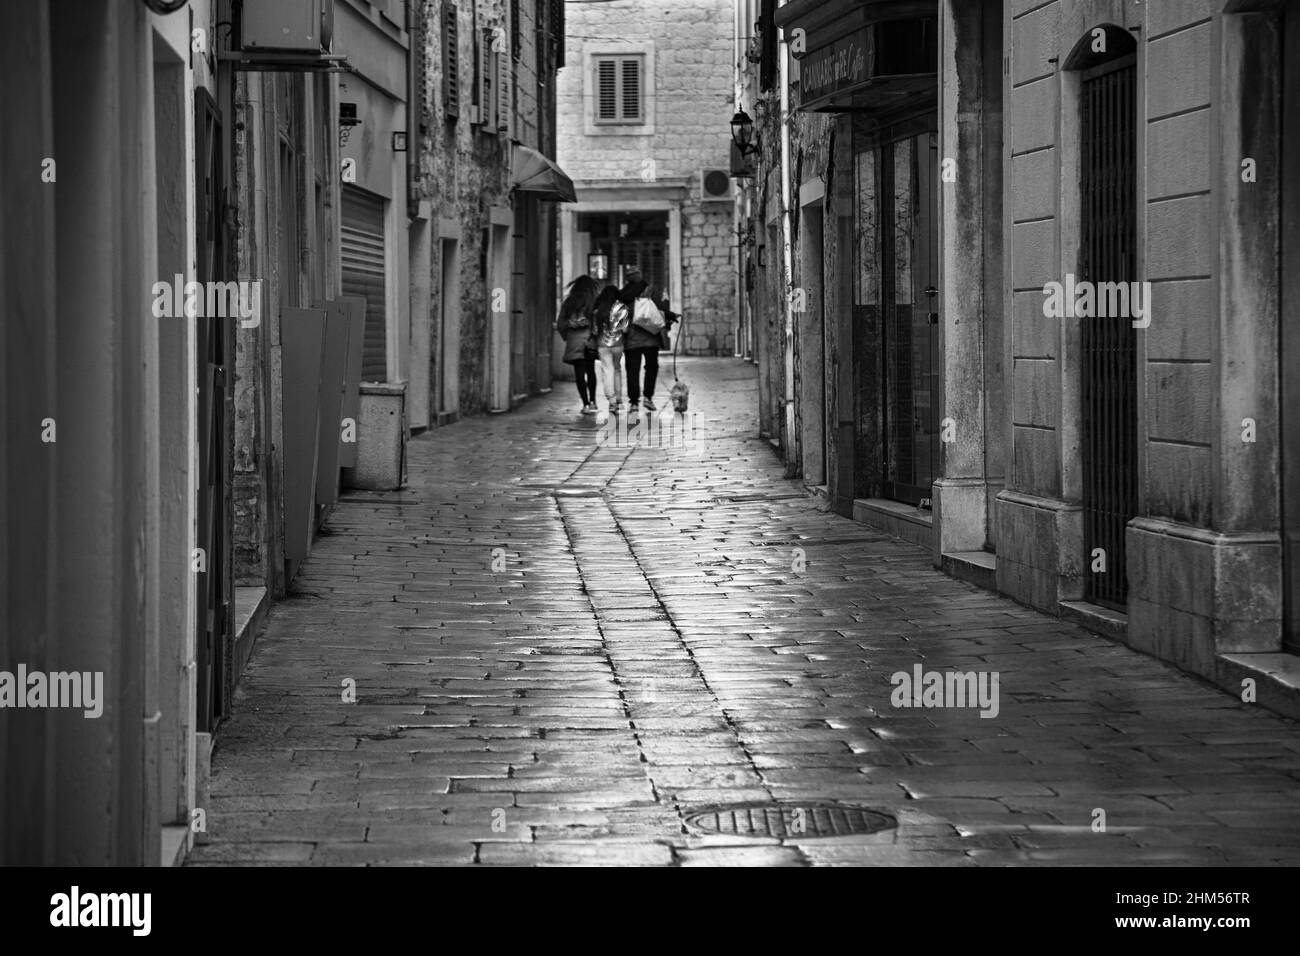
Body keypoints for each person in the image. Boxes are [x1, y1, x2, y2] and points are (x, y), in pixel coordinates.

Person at [620, 275, 677, 414]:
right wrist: (672, 316)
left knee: (632, 371)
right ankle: (648, 397)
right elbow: (662, 315)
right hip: (651, 341)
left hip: (632, 343)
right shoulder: (651, 303)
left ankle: (633, 402)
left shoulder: (627, 304)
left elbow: (622, 326)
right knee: (651, 367)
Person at [556, 275, 600, 414]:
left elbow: (560, 324)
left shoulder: (569, 302)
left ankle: (585, 403)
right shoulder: (594, 301)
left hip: (574, 341)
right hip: (589, 341)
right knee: (591, 371)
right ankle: (593, 401)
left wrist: (567, 336)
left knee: (579, 374)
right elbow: (599, 322)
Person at [591, 284, 628, 425]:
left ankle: (611, 400)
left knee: (608, 371)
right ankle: (618, 400)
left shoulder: (598, 311)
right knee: (617, 370)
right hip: (618, 344)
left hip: (602, 345)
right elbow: (625, 330)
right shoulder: (621, 309)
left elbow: (594, 331)